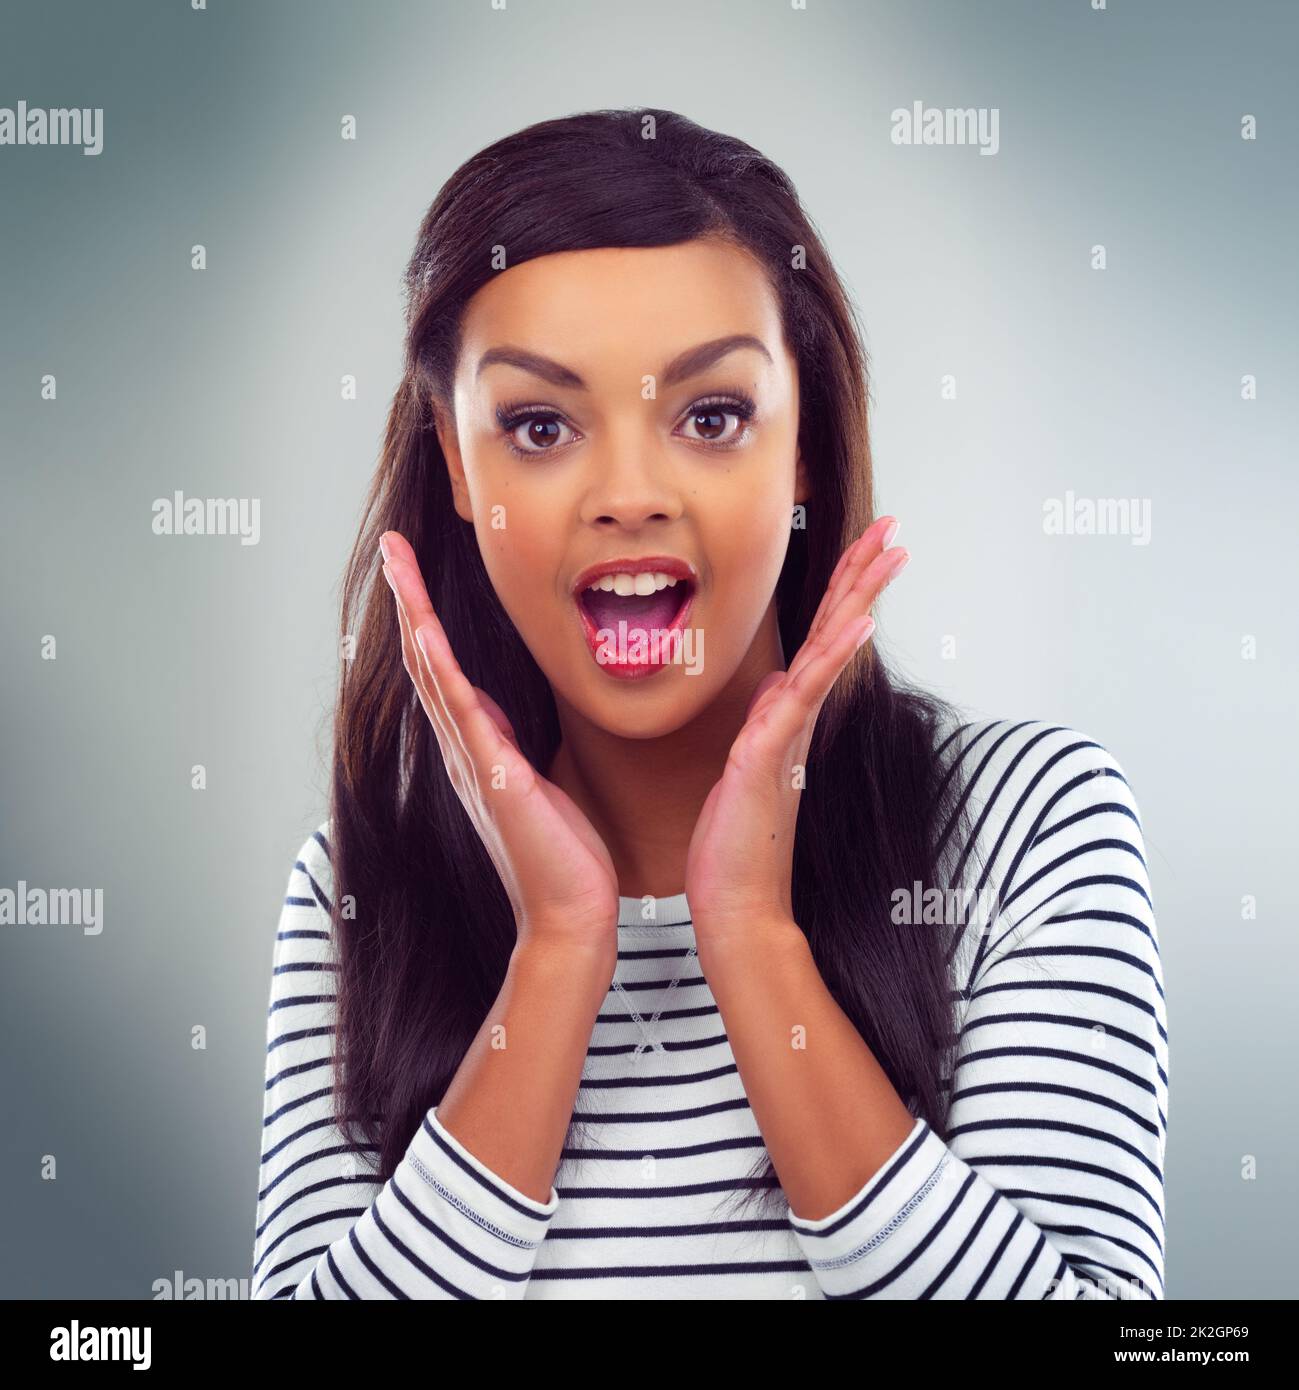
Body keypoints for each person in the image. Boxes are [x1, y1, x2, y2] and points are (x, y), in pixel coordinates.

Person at [251, 108, 1167, 1300]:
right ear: (460, 465)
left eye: (712, 416)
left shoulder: (1028, 826)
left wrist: (752, 937)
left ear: (801, 449)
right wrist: (559, 952)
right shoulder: (359, 888)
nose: (629, 495)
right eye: (539, 425)